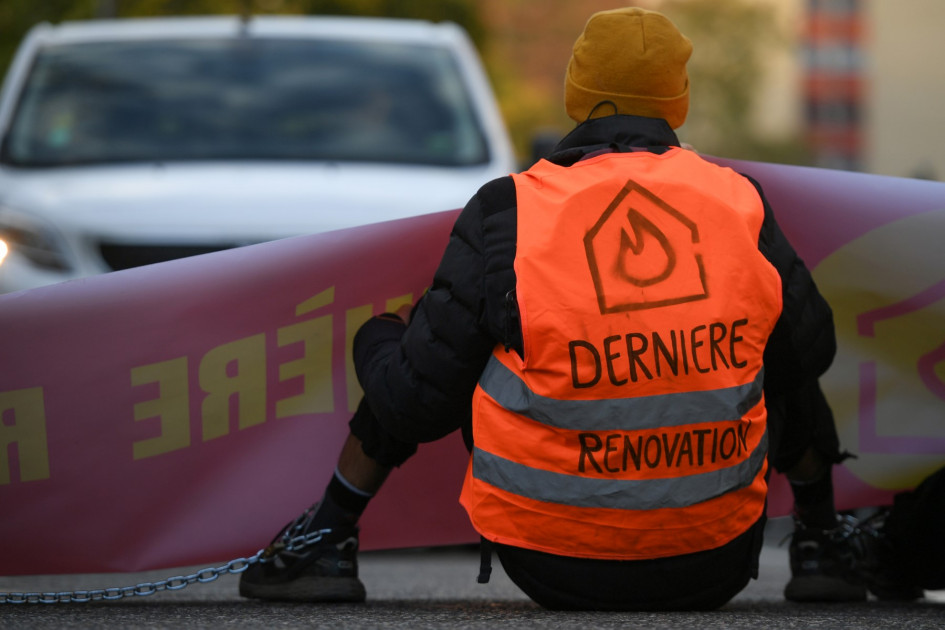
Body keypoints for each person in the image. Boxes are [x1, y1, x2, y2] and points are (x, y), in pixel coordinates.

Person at [239, 7, 904, 609]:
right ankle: (822, 545)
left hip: (551, 560)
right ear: (675, 102)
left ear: (575, 96)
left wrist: (376, 338)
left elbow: (420, 399)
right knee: (775, 342)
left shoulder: (511, 208)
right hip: (713, 559)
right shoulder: (736, 199)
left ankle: (323, 540)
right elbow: (808, 351)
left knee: (434, 344)